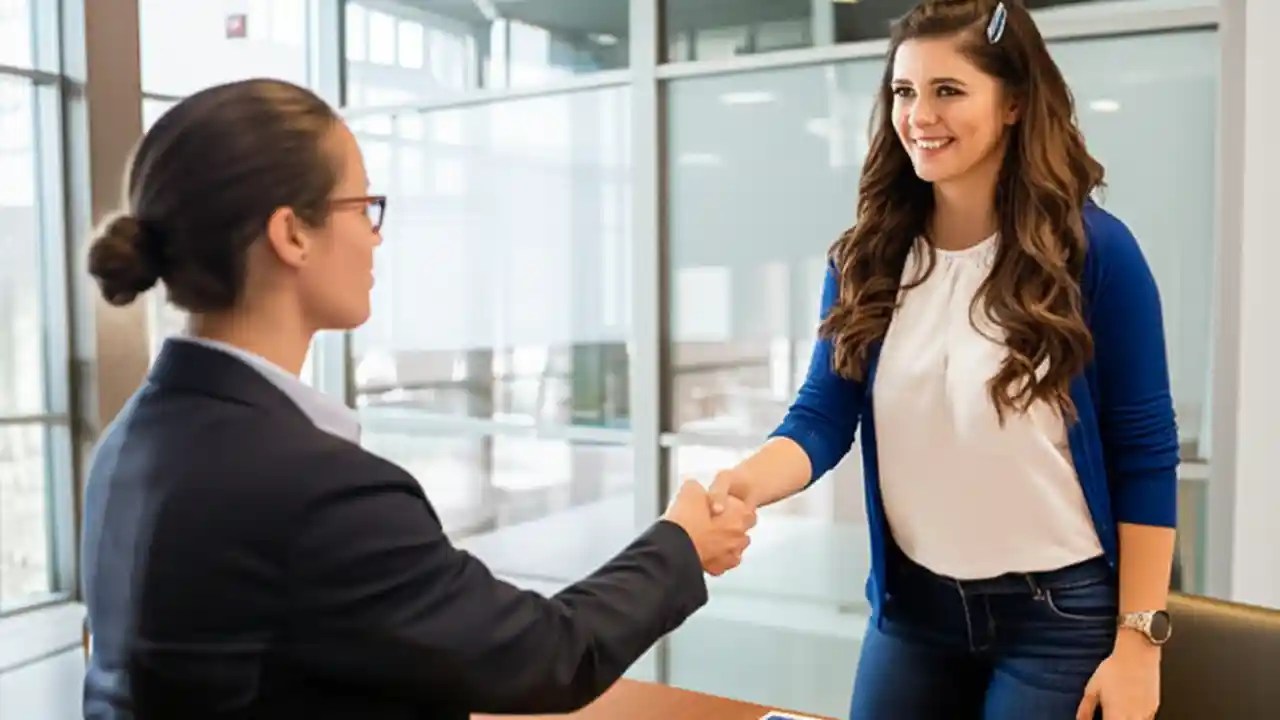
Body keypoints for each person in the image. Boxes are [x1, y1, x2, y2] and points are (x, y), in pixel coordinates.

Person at [81, 78, 756, 720]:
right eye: (362, 207)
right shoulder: (313, 488)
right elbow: (544, 653)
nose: (376, 236)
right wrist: (683, 545)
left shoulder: (130, 443)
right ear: (291, 234)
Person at [706, 2, 1177, 719]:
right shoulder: (867, 256)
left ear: (1014, 101)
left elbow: (1144, 455)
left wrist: (1139, 645)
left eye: (948, 90)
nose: (919, 114)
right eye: (904, 92)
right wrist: (743, 483)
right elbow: (823, 415)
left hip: (1059, 619)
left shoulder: (1095, 255)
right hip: (914, 610)